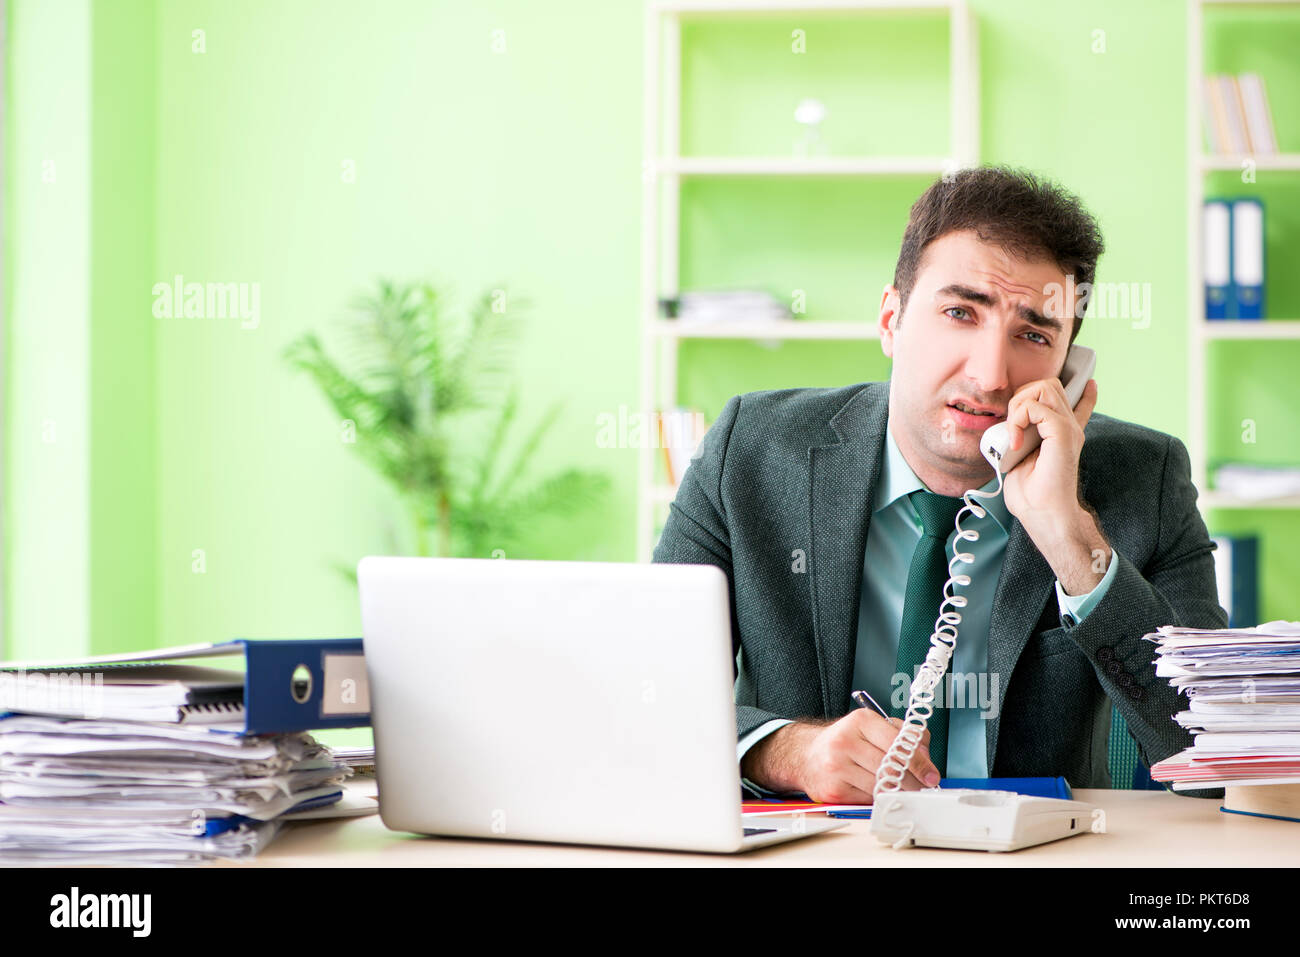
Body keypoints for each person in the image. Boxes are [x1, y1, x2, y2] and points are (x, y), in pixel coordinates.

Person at [652, 165, 1228, 804]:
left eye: (1033, 334)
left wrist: (1072, 540)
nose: (988, 375)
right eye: (960, 312)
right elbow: (646, 684)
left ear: (1067, 369)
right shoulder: (751, 450)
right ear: (891, 320)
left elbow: (1211, 754)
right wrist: (788, 751)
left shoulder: (1143, 479)